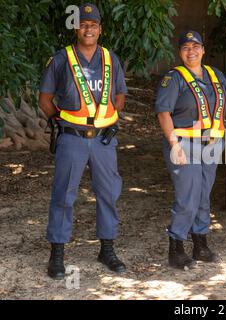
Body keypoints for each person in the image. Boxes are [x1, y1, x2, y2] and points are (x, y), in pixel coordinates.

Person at [39, 3, 127, 279]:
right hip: (72, 139)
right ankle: (57, 254)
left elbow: (120, 95)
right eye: (83, 24)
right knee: (64, 195)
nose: (88, 29)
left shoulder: (111, 58)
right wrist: (60, 121)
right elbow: (45, 99)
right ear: (76, 28)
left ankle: (107, 249)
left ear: (100, 29)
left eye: (93, 24)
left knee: (108, 194)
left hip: (103, 140)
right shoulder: (61, 59)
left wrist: (107, 117)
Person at [155, 30, 226, 269]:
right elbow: (163, 113)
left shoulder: (216, 75)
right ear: (180, 52)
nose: (191, 51)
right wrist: (174, 145)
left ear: (203, 49)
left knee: (203, 195)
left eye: (195, 47)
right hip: (184, 144)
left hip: (212, 144)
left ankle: (200, 245)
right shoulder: (174, 78)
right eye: (185, 48)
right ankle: (176, 247)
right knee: (187, 197)